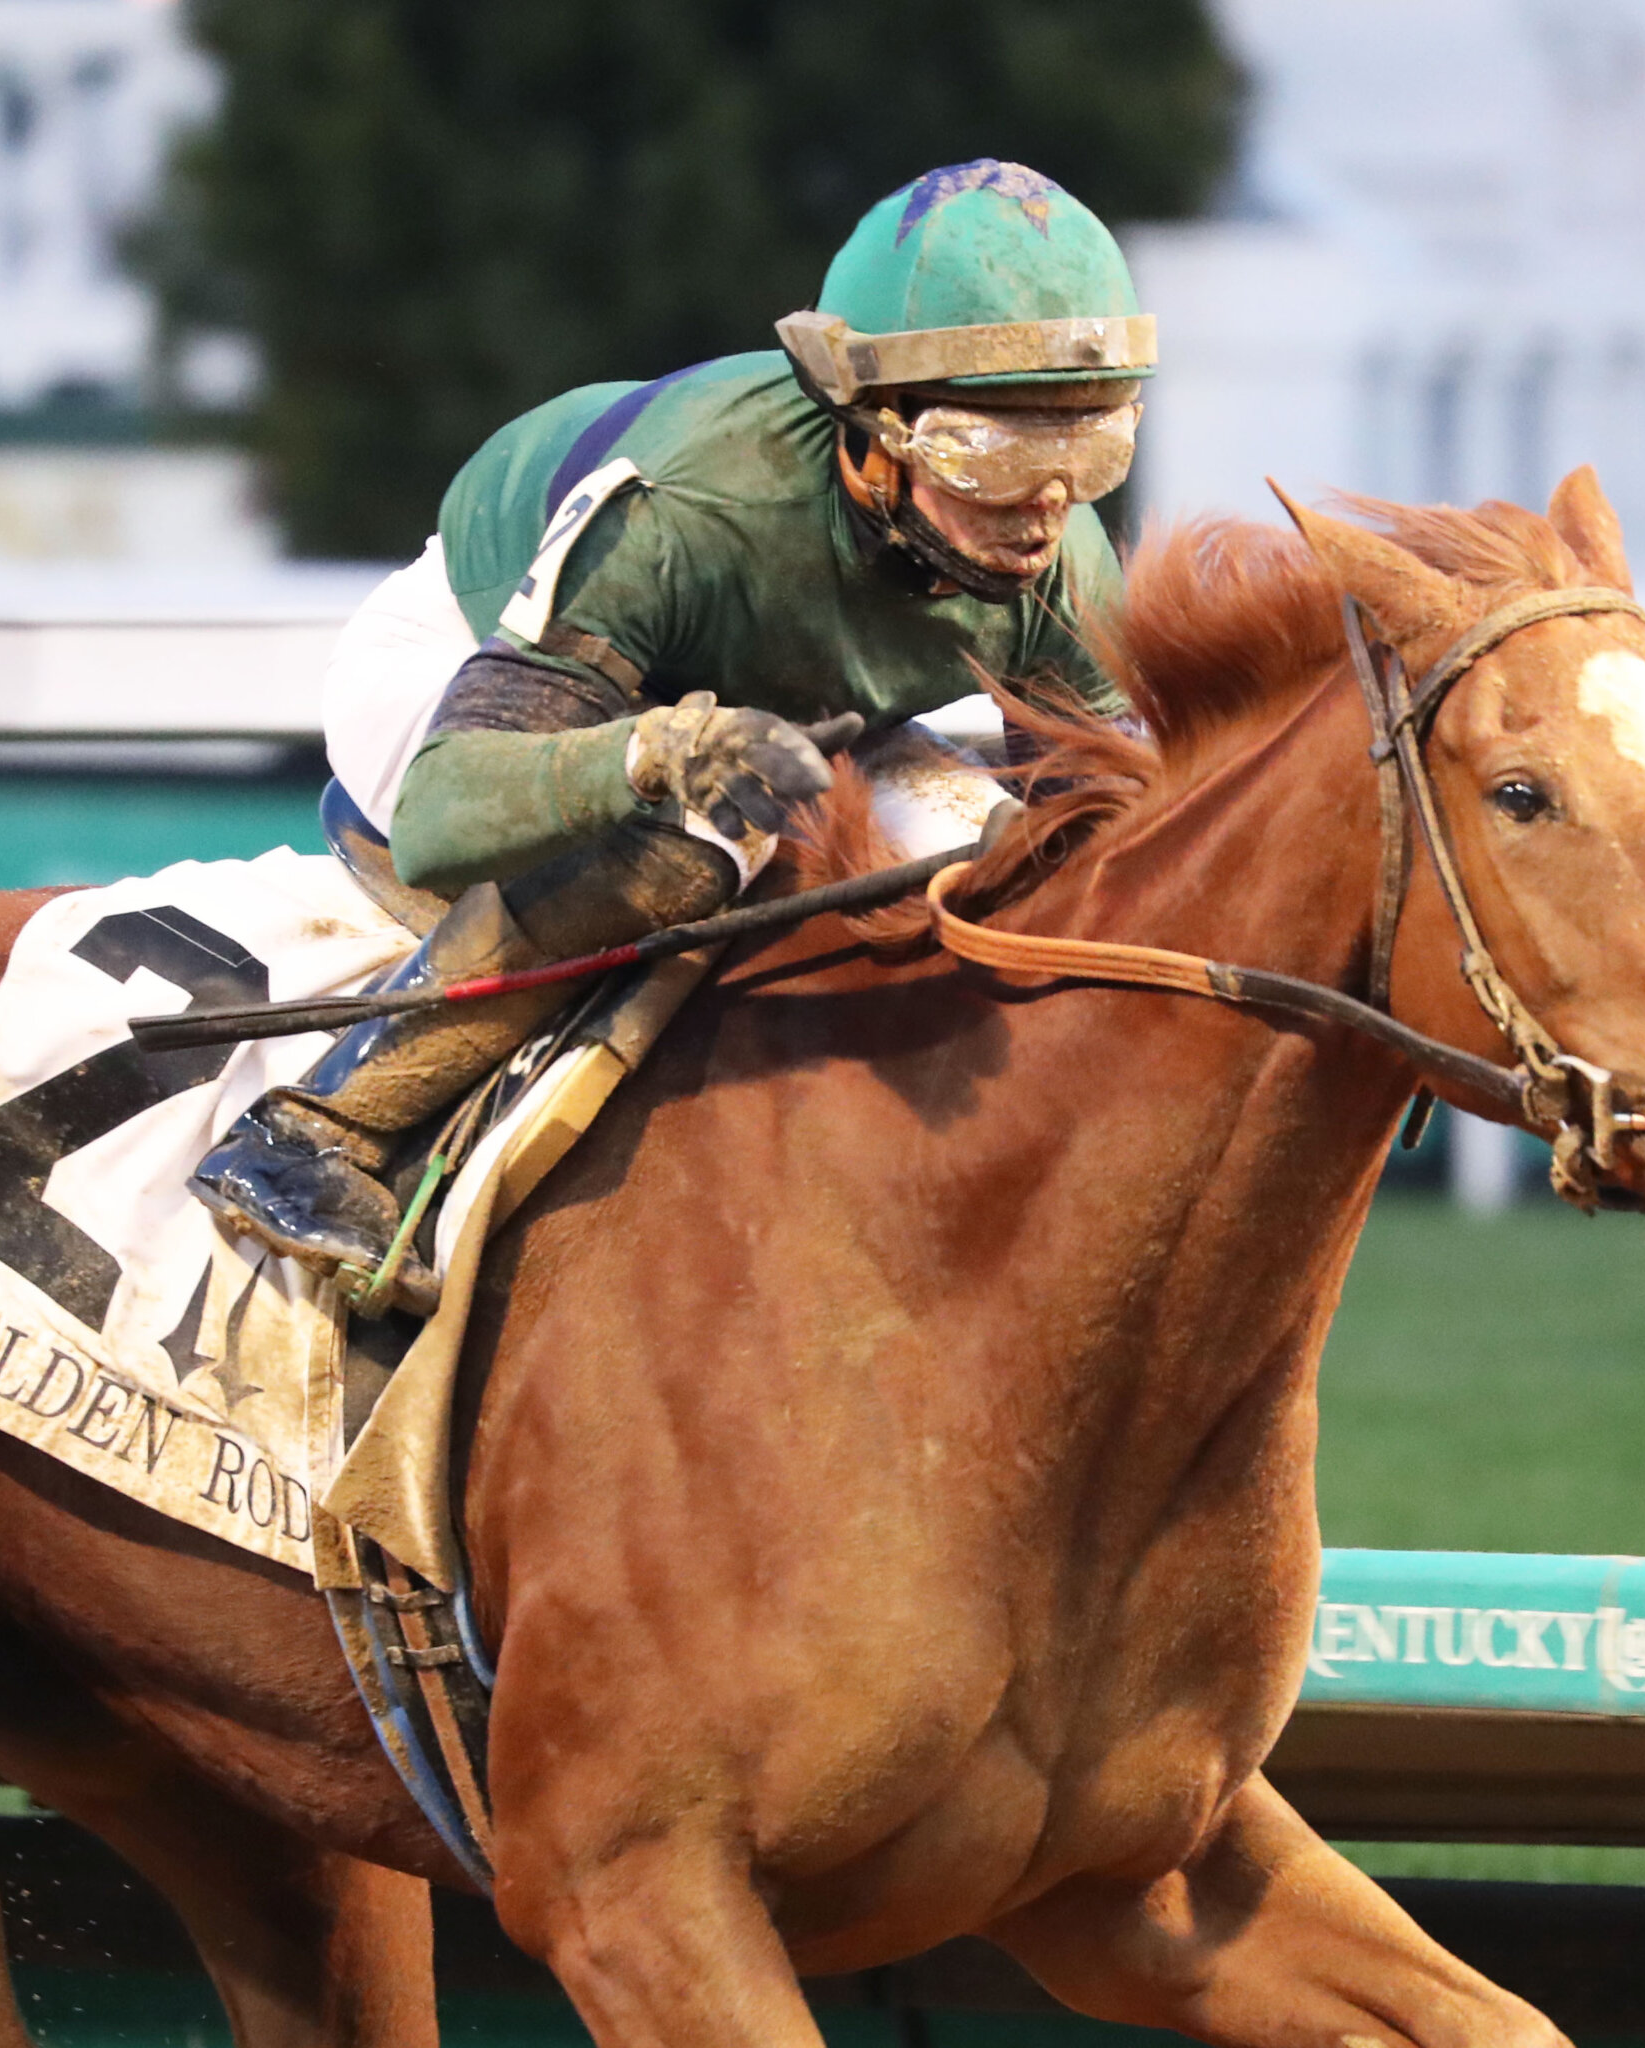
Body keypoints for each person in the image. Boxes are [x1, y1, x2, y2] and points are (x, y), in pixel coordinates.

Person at [192, 158, 1156, 1298]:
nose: (1046, 505)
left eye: (1088, 448)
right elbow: (444, 815)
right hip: (468, 667)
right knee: (697, 844)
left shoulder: (1052, 555)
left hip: (775, 700)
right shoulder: (685, 511)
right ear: (870, 422)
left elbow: (1126, 813)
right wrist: (650, 752)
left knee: (993, 828)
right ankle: (312, 1132)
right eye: (993, 452)